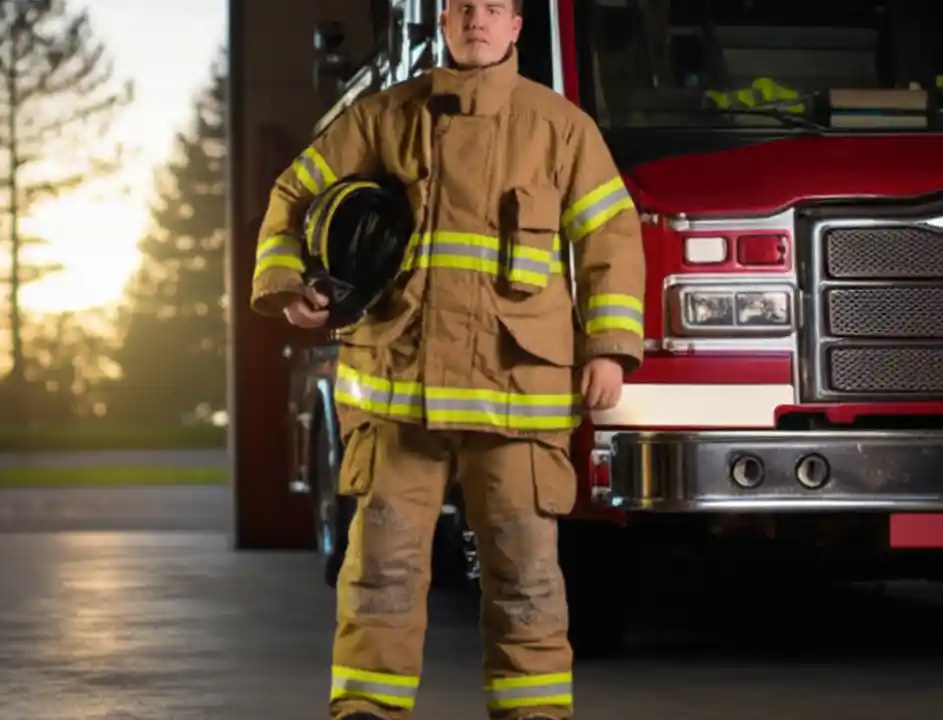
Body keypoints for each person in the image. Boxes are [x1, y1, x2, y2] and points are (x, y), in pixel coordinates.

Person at [248, 1, 645, 717]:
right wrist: (287, 286)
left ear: (517, 25)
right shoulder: (382, 118)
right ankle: (366, 710)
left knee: (525, 576)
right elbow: (293, 194)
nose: (477, 20)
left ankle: (536, 713)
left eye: (494, 7)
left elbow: (610, 239)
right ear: (443, 20)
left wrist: (610, 348)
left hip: (515, 392)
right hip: (400, 390)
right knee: (382, 574)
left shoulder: (560, 128)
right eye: (463, 5)